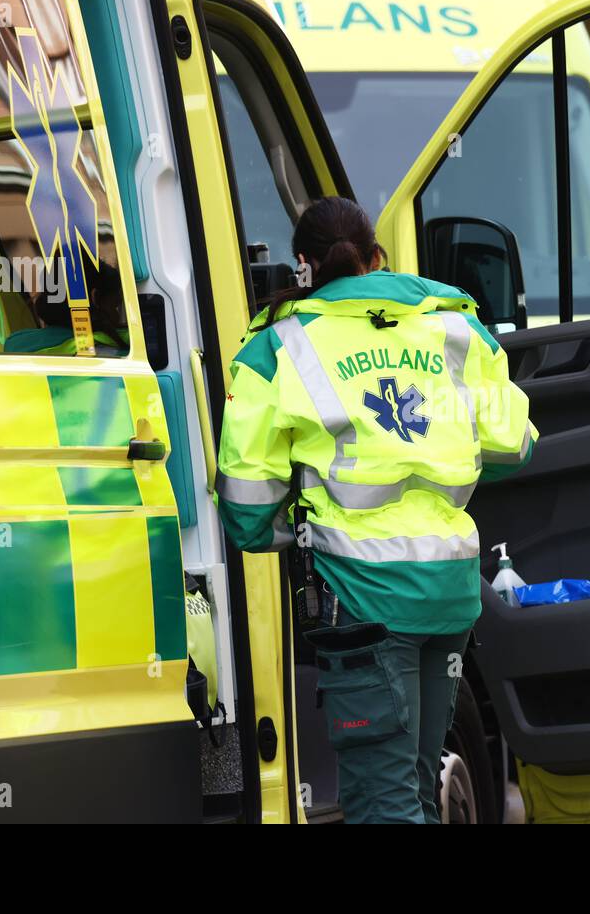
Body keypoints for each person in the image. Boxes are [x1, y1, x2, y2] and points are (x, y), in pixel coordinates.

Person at [215, 196, 537, 823]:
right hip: (448, 595)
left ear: (301, 264)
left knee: (383, 805)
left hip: (364, 603)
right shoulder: (455, 328)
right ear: (378, 257)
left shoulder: (276, 348)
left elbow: (247, 508)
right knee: (417, 789)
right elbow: (514, 444)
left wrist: (302, 528)